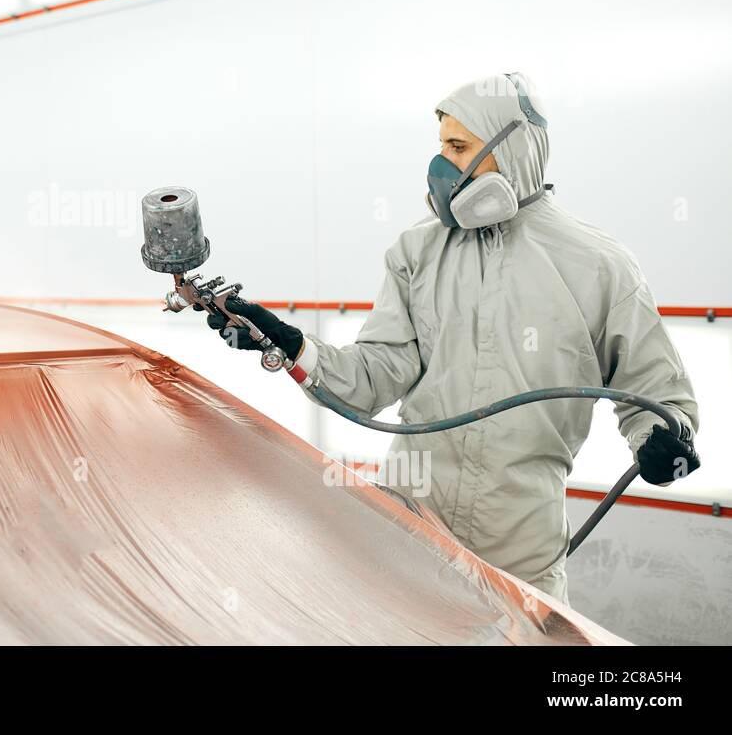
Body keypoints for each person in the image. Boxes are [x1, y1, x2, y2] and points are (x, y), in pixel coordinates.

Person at [202, 72, 700, 604]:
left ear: (511, 150)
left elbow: (660, 394)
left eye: (458, 147)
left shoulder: (601, 267)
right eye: (440, 147)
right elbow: (377, 375)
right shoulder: (417, 250)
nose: (442, 165)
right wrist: (292, 345)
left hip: (520, 549)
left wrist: (660, 439)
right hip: (409, 523)